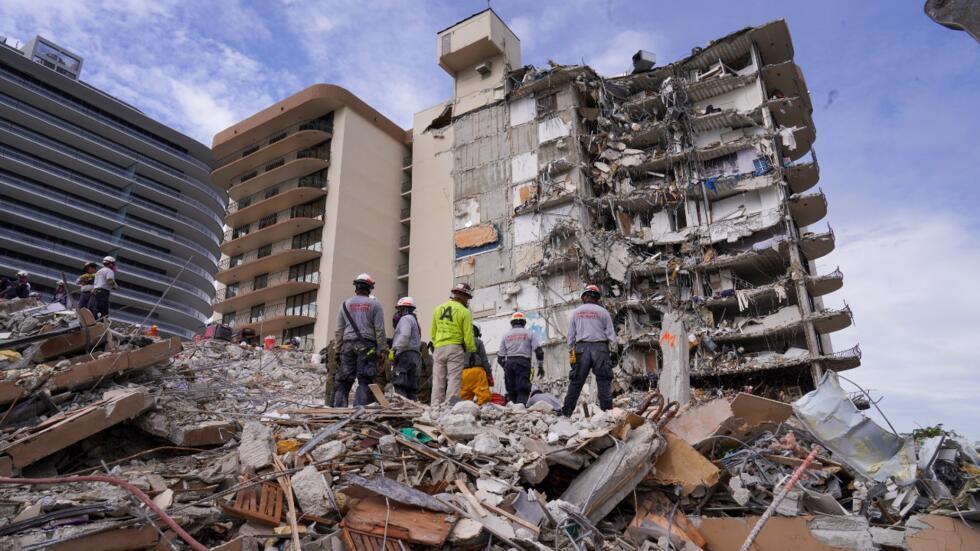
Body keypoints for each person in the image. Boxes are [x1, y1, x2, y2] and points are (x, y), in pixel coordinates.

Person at [561, 284, 616, 416]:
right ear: (597, 298)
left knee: (576, 382)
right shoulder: (603, 312)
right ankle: (607, 414)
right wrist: (614, 351)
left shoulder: (576, 312)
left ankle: (567, 412)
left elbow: (570, 336)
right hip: (600, 349)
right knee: (603, 381)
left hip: (581, 349)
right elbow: (611, 334)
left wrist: (571, 351)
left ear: (584, 297)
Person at [333, 273, 387, 407]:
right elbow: (380, 330)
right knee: (365, 380)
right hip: (367, 347)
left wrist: (337, 350)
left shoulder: (345, 304)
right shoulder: (375, 305)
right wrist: (381, 350)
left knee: (343, 380)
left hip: (347, 345)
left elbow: (339, 330)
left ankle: (338, 411)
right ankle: (359, 411)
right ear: (370, 289)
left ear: (356, 287)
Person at [429, 282, 477, 404]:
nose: (467, 301)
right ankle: (449, 406)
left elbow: (433, 332)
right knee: (453, 379)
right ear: (464, 296)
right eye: (467, 298)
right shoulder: (464, 312)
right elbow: (468, 335)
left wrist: (436, 343)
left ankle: (435, 405)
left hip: (439, 347)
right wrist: (471, 351)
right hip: (455, 348)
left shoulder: (438, 309)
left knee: (438, 380)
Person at [497, 312, 544, 405]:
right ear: (524, 323)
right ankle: (520, 410)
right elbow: (539, 351)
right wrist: (540, 367)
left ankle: (512, 410)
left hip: (509, 363)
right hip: (523, 362)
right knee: (523, 389)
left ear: (512, 323)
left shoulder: (506, 335)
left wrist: (506, 367)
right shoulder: (530, 333)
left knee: (511, 390)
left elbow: (500, 357)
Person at [390, 296, 422, 400]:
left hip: (405, 355)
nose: (398, 313)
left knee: (400, 384)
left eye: (399, 310)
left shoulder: (405, 319)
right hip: (415, 356)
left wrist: (394, 349)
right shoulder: (414, 320)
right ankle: (411, 407)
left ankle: (402, 406)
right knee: (412, 388)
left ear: (404, 309)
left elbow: (404, 335)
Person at [460, 324, 493, 405]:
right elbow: (484, 360)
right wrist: (489, 374)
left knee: (464, 398)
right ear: (477, 333)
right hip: (477, 372)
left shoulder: (460, 342)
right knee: (484, 397)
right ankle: (481, 409)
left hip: (463, 373)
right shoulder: (478, 342)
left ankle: (465, 410)